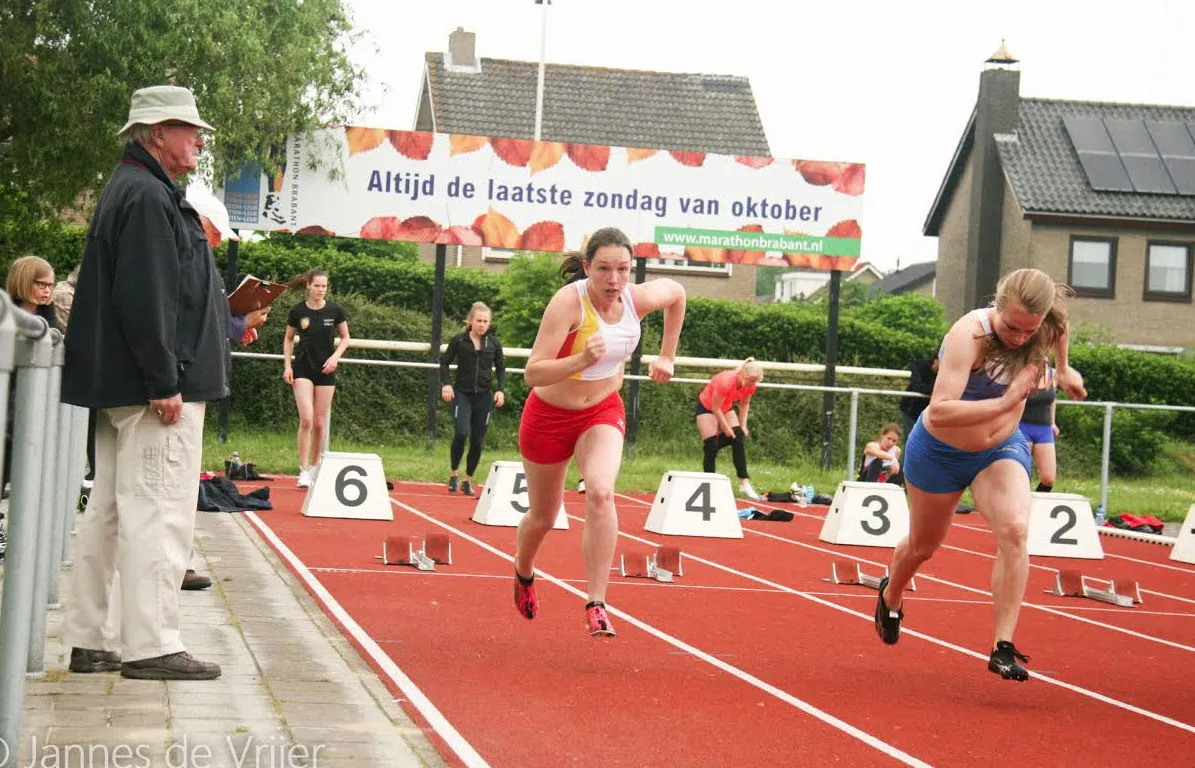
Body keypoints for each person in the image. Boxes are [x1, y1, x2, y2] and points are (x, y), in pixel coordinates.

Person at [62, 84, 227, 680]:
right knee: (158, 512)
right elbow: (148, 295)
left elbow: (150, 293)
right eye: (191, 129)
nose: (200, 140)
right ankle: (152, 644)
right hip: (152, 390)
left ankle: (91, 637)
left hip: (123, 386)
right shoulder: (151, 197)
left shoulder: (130, 188)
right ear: (158, 134)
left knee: (109, 511)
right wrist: (163, 380)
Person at [875, 268, 1086, 682]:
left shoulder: (1044, 325)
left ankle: (1002, 646)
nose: (1020, 338)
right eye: (1011, 328)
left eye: (1030, 331)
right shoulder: (968, 335)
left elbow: (1059, 329)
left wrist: (1063, 369)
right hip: (940, 452)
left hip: (1000, 449)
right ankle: (891, 593)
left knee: (1015, 530)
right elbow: (939, 411)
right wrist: (1007, 400)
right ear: (997, 307)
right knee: (923, 546)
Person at [512, 227, 686, 637]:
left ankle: (597, 602)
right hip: (549, 416)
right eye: (604, 269)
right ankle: (523, 570)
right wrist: (579, 360)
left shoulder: (635, 299)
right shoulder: (568, 303)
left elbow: (677, 293)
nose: (614, 279)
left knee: (602, 492)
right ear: (587, 267)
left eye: (623, 269)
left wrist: (667, 356)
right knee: (543, 516)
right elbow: (533, 373)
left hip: (602, 410)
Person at [2, 256, 60, 557]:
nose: (47, 290)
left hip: (32, 405)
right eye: (41, 284)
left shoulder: (50, 321)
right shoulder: (6, 313)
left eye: (51, 285)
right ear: (24, 281)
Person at [283, 269, 349, 488]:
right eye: (317, 286)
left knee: (320, 423)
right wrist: (287, 366)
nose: (321, 290)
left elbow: (345, 338)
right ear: (308, 286)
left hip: (326, 370)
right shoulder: (298, 311)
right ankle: (303, 470)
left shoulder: (335, 311)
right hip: (303, 369)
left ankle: (314, 467)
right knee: (307, 419)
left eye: (324, 286)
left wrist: (335, 358)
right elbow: (288, 339)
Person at [440, 301, 506, 497]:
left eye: (485, 321)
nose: (482, 324)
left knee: (477, 440)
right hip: (463, 394)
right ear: (471, 321)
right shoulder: (459, 341)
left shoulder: (493, 343)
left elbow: (501, 368)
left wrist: (500, 390)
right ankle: (454, 474)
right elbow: (444, 363)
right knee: (461, 433)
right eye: (478, 320)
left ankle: (468, 480)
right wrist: (446, 384)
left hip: (484, 397)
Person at [696, 358, 764, 500]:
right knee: (710, 445)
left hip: (725, 407)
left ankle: (744, 482)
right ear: (743, 375)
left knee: (738, 436)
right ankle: (709, 484)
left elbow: (744, 404)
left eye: (756, 381)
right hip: (707, 406)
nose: (753, 384)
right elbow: (715, 408)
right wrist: (726, 428)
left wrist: (743, 426)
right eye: (751, 380)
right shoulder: (726, 381)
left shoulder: (751, 386)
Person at [1019, 365, 1058, 493]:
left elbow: (1052, 399)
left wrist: (1053, 422)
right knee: (1023, 476)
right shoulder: (1021, 371)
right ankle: (1021, 502)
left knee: (1048, 478)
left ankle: (1037, 501)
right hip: (1022, 427)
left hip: (1044, 429)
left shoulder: (1053, 374)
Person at [899, 356, 938, 438]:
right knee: (910, 438)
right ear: (935, 360)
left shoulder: (947, 373)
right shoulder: (920, 365)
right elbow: (917, 387)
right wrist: (937, 390)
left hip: (929, 415)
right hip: (910, 411)